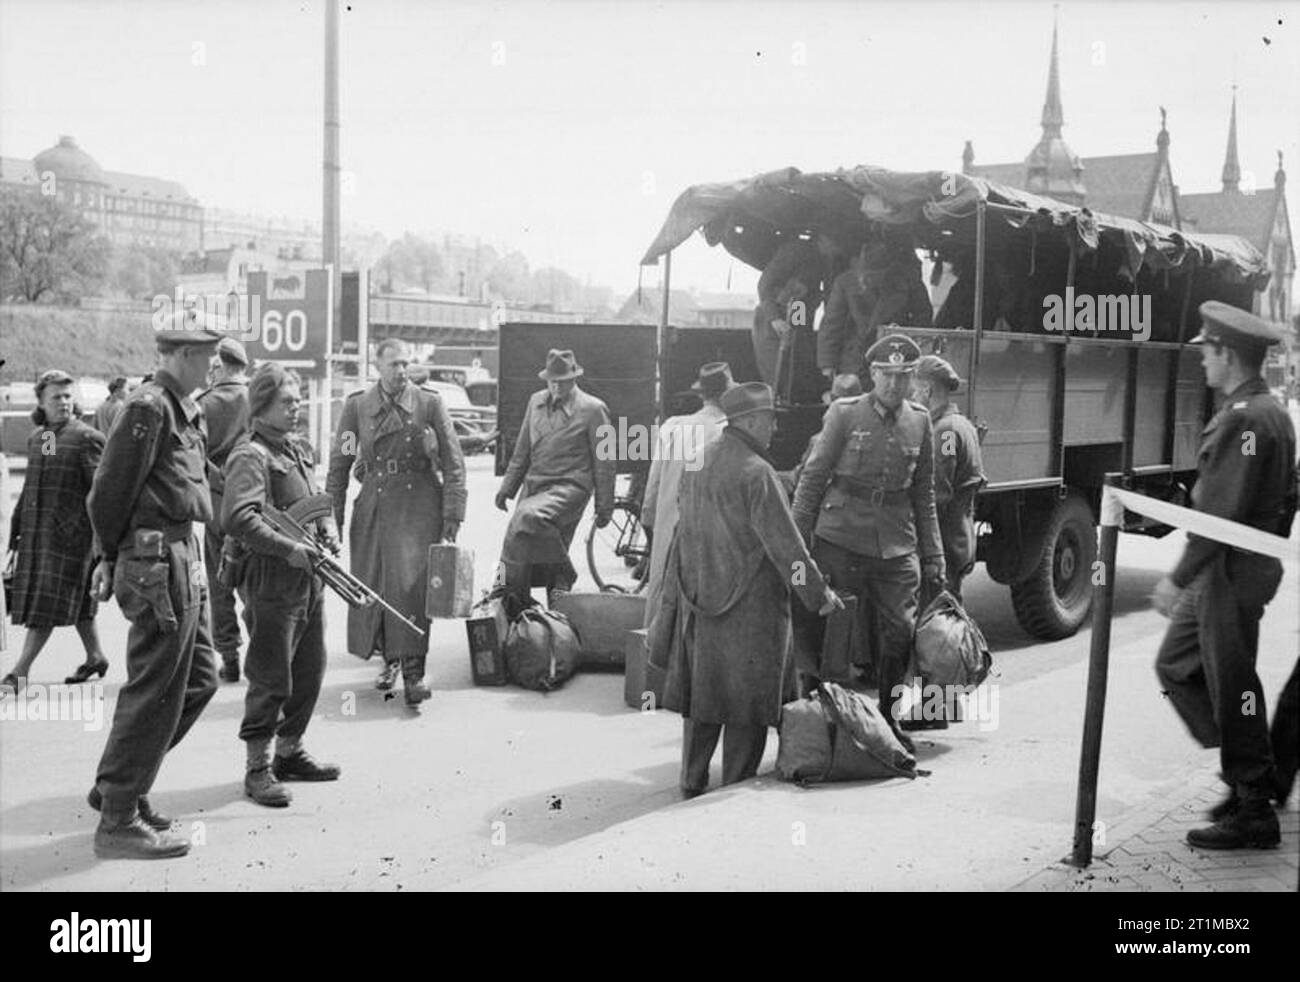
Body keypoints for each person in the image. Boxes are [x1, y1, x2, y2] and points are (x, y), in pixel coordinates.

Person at [1152, 301, 1297, 850]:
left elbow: (1219, 515)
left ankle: (1254, 804)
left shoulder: (1245, 420)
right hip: (1236, 567)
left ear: (1228, 354)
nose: (1202, 364)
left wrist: (1178, 576)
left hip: (1227, 570)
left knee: (1234, 684)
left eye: (1207, 352)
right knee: (1177, 665)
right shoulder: (1269, 412)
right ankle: (1246, 763)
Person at [84, 322, 223, 860]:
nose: (213, 368)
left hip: (182, 554)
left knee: (200, 678)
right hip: (154, 560)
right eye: (208, 358)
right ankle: (118, 815)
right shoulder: (148, 408)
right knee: (154, 689)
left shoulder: (183, 408)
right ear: (183, 355)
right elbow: (108, 492)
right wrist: (109, 556)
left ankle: (122, 785)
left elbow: (192, 480)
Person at [663, 382, 842, 797]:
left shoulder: (697, 461)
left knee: (703, 699)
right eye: (770, 421)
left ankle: (691, 779)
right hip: (750, 611)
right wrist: (818, 597)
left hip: (702, 601)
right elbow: (787, 550)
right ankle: (733, 791)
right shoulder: (757, 474)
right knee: (745, 704)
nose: (774, 429)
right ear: (752, 421)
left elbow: (682, 531)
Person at [791, 333, 944, 742]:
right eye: (887, 375)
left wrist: (934, 554)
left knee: (901, 630)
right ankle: (821, 718)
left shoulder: (920, 420)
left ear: (913, 379)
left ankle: (889, 718)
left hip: (897, 543)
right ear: (873, 374)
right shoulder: (844, 414)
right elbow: (813, 478)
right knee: (831, 629)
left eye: (904, 376)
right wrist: (797, 544)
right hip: (841, 538)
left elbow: (924, 493)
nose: (895, 384)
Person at [222, 364, 340, 807]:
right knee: (272, 676)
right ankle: (257, 767)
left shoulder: (294, 449)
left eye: (297, 401)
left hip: (307, 577)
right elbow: (238, 517)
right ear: (262, 405)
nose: (296, 409)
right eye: (287, 402)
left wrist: (328, 527)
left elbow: (313, 500)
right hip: (272, 578)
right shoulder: (250, 455)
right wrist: (287, 548)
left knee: (310, 669)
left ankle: (290, 752)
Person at [326, 338, 465, 707]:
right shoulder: (357, 407)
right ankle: (389, 659)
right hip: (373, 503)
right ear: (377, 367)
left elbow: (453, 461)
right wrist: (331, 520)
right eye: (394, 365)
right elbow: (339, 467)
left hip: (419, 504)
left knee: (412, 589)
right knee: (375, 586)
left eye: (406, 364)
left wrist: (453, 513)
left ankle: (414, 673)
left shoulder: (429, 402)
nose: (401, 371)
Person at [2, 370, 108, 693]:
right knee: (74, 602)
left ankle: (20, 671)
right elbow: (38, 483)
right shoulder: (45, 437)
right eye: (56, 398)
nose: (63, 402)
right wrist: (17, 533)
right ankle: (96, 656)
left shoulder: (86, 437)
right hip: (40, 536)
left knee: (46, 606)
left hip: (72, 539)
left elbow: (99, 494)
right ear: (42, 404)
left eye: (67, 396)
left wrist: (100, 541)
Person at [494, 349, 614, 606]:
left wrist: (605, 505)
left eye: (562, 381)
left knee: (528, 517)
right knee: (517, 541)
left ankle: (562, 574)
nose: (556, 386)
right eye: (552, 381)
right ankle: (511, 597)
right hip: (535, 486)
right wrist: (508, 487)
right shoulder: (535, 401)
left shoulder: (594, 409)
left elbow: (605, 462)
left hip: (570, 487)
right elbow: (522, 449)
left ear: (574, 379)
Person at [640, 362, 732, 629]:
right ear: (726, 394)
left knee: (660, 590)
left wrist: (650, 519)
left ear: (701, 395)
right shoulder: (726, 431)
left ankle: (651, 656)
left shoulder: (673, 426)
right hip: (707, 529)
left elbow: (654, 482)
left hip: (668, 523)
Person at [197, 337, 251, 683]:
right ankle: (264, 649)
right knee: (254, 579)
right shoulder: (258, 398)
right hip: (253, 500)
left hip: (216, 504)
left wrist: (218, 481)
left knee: (220, 584)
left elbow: (194, 457)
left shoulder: (204, 404)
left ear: (219, 367)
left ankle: (229, 658)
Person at [911, 355, 986, 604]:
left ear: (926, 390)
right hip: (956, 539)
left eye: (913, 391)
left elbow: (938, 494)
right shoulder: (961, 424)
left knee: (937, 624)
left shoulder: (945, 432)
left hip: (945, 542)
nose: (910, 398)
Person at [818, 237, 932, 379]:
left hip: (896, 356)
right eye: (868, 276)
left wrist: (915, 354)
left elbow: (923, 321)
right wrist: (828, 363)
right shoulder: (845, 283)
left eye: (877, 275)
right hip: (855, 358)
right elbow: (832, 323)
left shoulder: (909, 282)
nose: (870, 280)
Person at [753, 233, 839, 403]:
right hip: (771, 320)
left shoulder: (824, 260)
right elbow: (764, 285)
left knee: (794, 369)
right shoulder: (795, 250)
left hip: (794, 315)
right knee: (777, 375)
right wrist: (775, 319)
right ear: (823, 238)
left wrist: (797, 325)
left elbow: (801, 299)